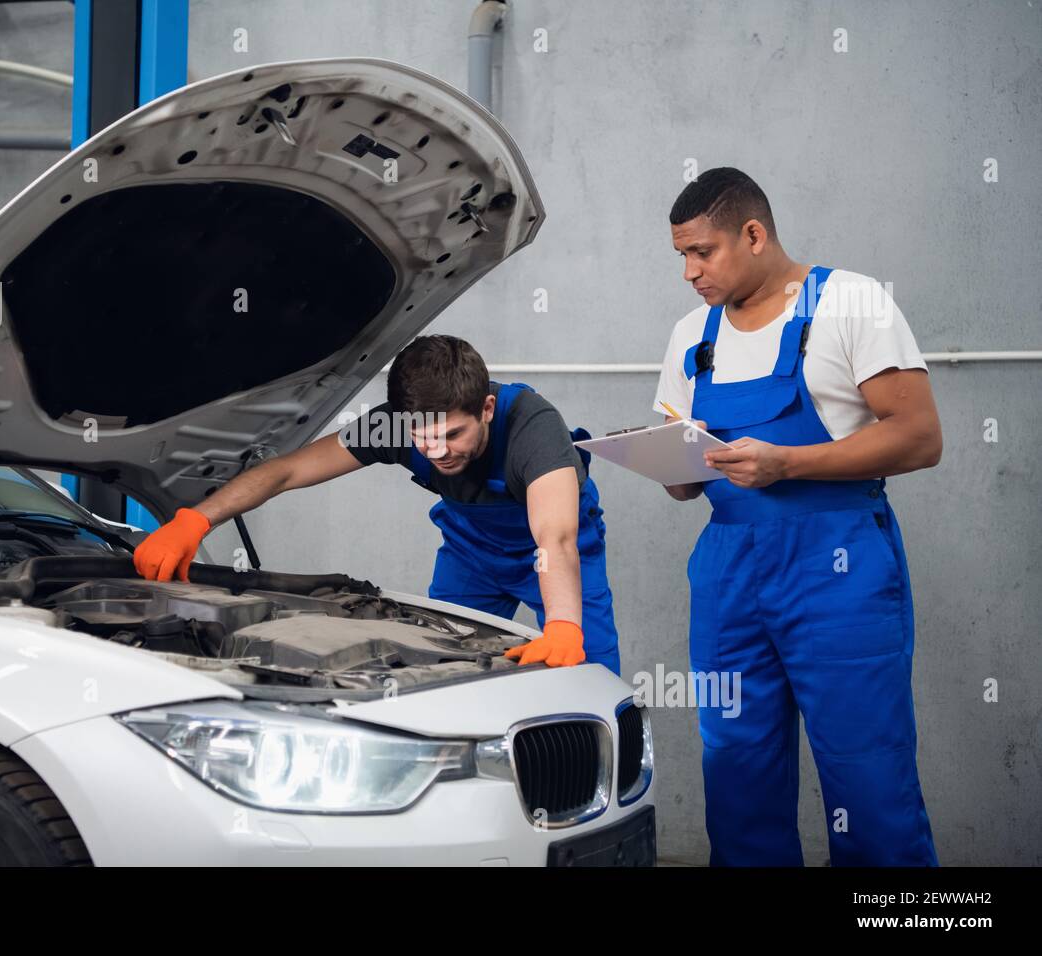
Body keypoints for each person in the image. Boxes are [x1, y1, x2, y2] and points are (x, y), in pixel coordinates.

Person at [655, 166, 940, 865]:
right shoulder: (693, 335)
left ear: (753, 234)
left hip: (837, 564)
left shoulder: (851, 303)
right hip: (728, 571)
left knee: (868, 775)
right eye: (682, 257)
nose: (690, 272)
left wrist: (789, 463)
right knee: (737, 773)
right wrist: (670, 467)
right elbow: (683, 481)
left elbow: (919, 436)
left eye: (703, 252)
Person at [134, 334, 620, 672]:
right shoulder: (392, 424)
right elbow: (286, 470)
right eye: (421, 437)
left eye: (452, 434)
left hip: (556, 555)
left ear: (486, 410)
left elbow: (553, 537)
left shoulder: (533, 427)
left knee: (590, 671)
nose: (436, 451)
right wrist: (196, 519)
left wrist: (560, 625)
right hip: (471, 556)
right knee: (445, 665)